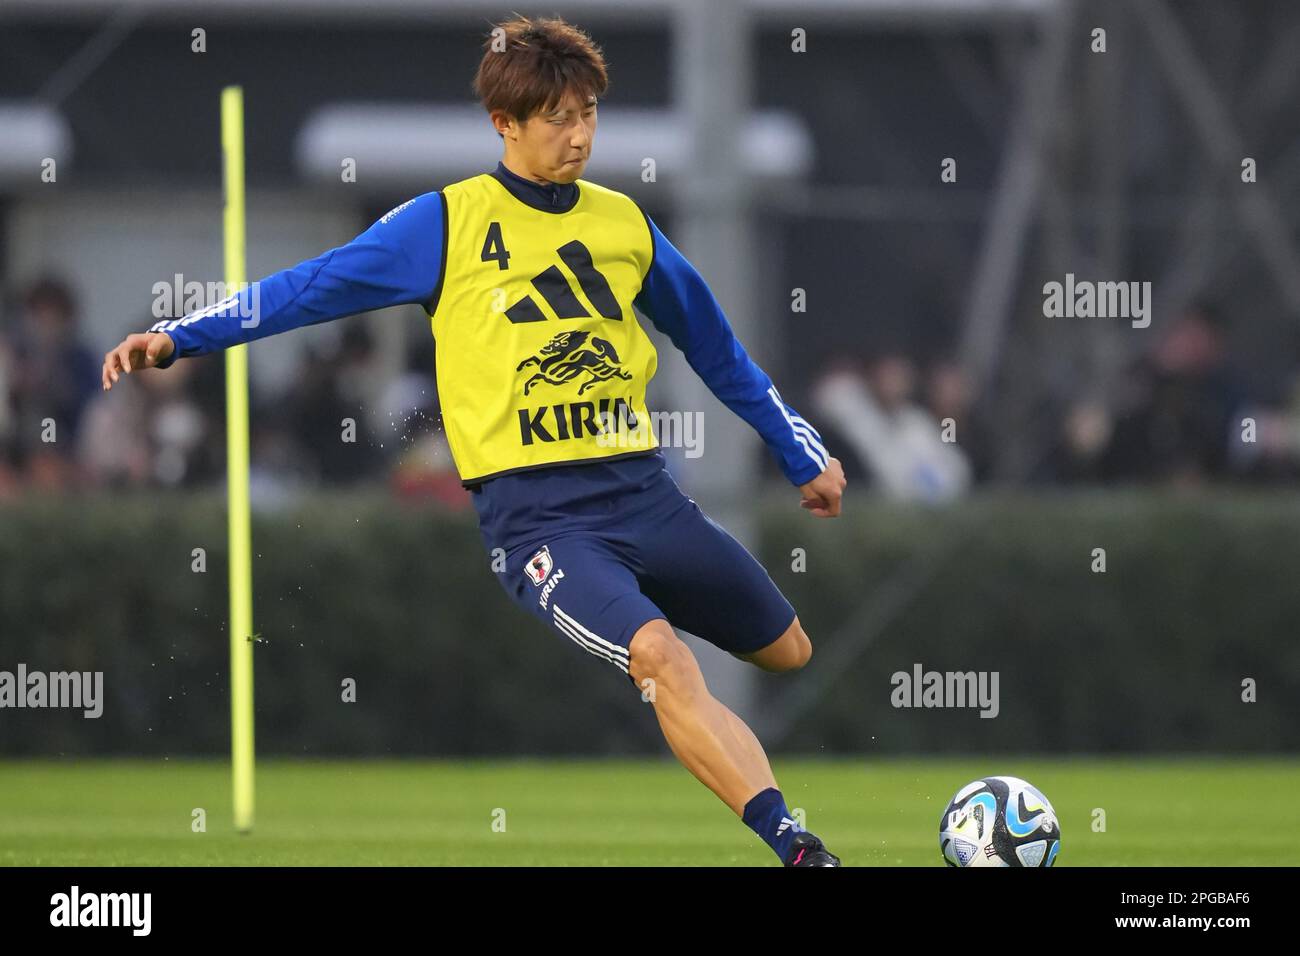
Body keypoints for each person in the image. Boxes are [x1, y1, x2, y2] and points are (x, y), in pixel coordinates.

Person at [100, 14, 846, 867]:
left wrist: (801, 457)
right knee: (660, 658)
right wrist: (177, 337)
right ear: (505, 124)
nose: (579, 135)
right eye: (558, 118)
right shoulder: (443, 225)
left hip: (646, 495)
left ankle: (640, 605)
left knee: (788, 650)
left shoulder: (626, 225)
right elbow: (306, 289)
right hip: (541, 522)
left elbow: (719, 350)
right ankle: (792, 842)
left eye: (589, 113)